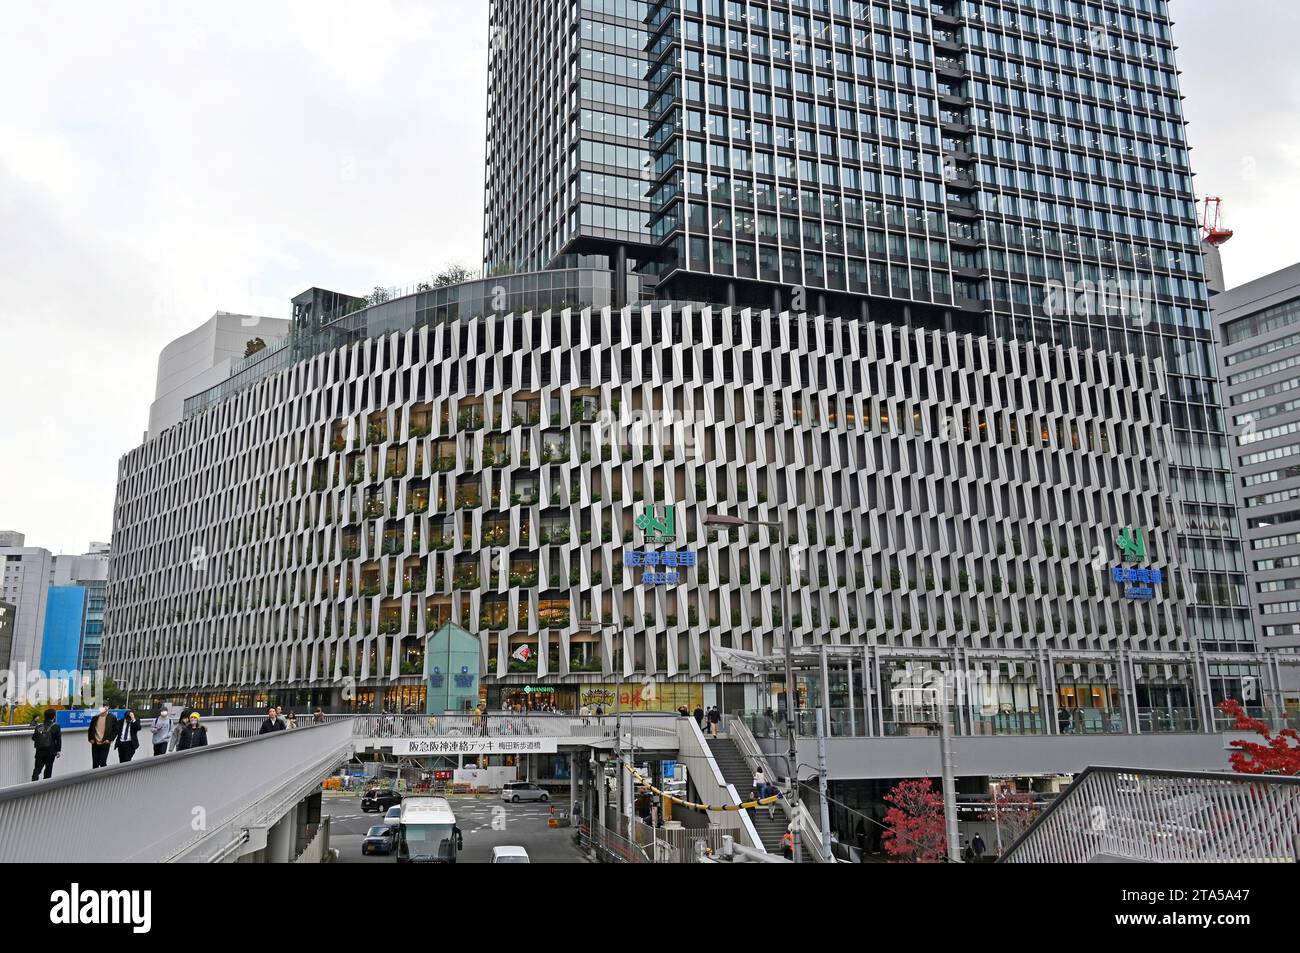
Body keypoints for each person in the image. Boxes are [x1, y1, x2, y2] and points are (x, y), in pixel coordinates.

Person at [31, 708, 61, 781]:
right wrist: (58, 750)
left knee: (37, 769)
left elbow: (34, 738)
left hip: (40, 751)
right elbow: (58, 739)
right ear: (53, 716)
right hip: (50, 751)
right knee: (48, 769)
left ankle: (33, 784)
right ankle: (45, 786)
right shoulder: (56, 727)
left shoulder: (38, 727)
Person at [88, 704, 118, 769]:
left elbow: (115, 730)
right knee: (95, 763)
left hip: (105, 743)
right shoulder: (95, 717)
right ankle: (95, 778)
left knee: (102, 762)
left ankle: (104, 778)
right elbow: (90, 729)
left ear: (108, 707)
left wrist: (110, 740)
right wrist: (91, 739)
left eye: (106, 706)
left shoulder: (112, 717)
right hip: (95, 743)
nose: (105, 708)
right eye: (103, 706)